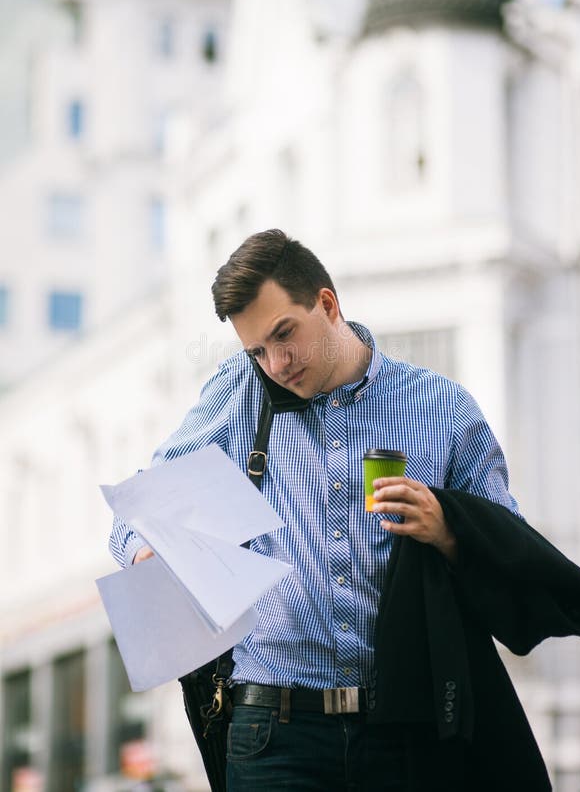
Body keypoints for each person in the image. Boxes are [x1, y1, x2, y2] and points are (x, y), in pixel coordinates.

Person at [109, 228, 521, 791]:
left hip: (406, 730)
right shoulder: (240, 393)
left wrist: (449, 529)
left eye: (285, 335)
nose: (276, 364)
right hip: (271, 735)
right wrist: (148, 550)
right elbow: (134, 513)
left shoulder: (441, 407)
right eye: (257, 350)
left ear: (327, 304)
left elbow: (511, 547)